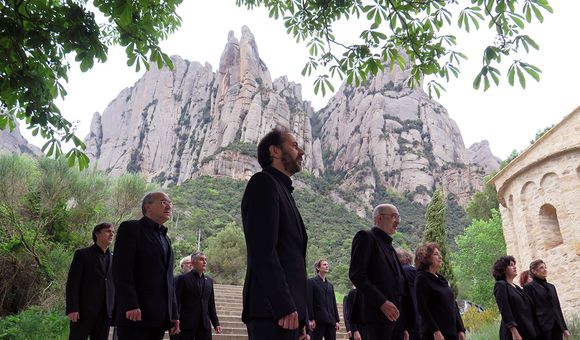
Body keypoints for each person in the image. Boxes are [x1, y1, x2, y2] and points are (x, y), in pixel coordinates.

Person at [241, 127, 308, 340]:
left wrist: (302, 317)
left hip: (288, 313)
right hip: (271, 310)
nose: (302, 152)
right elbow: (262, 250)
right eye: (295, 145)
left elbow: (291, 260)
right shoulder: (263, 183)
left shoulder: (282, 189)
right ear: (275, 151)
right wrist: (284, 306)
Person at [112, 192, 180, 340]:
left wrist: (173, 314)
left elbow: (169, 281)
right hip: (135, 315)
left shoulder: (166, 239)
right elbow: (121, 270)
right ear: (147, 207)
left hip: (160, 318)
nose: (169, 206)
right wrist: (130, 304)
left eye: (170, 202)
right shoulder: (130, 229)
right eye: (163, 202)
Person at [348, 203, 414, 340]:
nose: (398, 221)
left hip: (396, 320)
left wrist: (404, 325)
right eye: (394, 216)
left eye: (399, 217)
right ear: (379, 218)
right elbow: (357, 274)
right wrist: (382, 302)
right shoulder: (366, 237)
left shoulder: (390, 246)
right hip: (376, 317)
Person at [65, 222, 116, 340]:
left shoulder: (114, 258)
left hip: (105, 314)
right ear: (97, 234)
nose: (111, 234)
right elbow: (73, 283)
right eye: (108, 231)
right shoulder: (82, 254)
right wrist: (72, 308)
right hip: (83, 312)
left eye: (113, 232)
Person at [413, 243, 465, 340]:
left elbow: (453, 305)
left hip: (451, 333)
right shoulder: (422, 278)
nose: (440, 257)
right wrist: (435, 331)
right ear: (426, 257)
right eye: (436, 254)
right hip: (436, 335)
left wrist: (460, 329)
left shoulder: (442, 279)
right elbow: (422, 308)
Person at [174, 252, 222, 340]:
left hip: (204, 325)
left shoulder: (209, 281)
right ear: (192, 263)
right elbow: (175, 301)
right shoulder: (182, 279)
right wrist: (174, 319)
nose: (204, 262)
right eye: (201, 259)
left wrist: (216, 323)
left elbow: (211, 304)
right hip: (186, 324)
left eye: (205, 260)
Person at [492, 256, 539, 340]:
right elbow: (505, 310)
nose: (515, 267)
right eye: (511, 265)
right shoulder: (501, 285)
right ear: (503, 269)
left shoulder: (516, 287)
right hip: (514, 334)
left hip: (526, 330)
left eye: (514, 264)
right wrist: (514, 332)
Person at [524, 260, 570, 340]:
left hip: (556, 326)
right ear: (533, 271)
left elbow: (557, 308)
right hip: (541, 328)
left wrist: (564, 328)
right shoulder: (529, 287)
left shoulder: (552, 287)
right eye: (541, 268)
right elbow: (529, 310)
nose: (545, 269)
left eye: (545, 267)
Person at [307, 259, 340, 340]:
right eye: (324, 264)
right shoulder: (311, 282)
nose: (327, 266)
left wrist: (337, 320)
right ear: (318, 268)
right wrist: (311, 319)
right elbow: (309, 302)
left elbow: (333, 303)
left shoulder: (330, 285)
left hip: (331, 321)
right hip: (318, 321)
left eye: (327, 264)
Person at [396, 248, 420, 340]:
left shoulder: (397, 273)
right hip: (415, 319)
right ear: (407, 257)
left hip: (403, 319)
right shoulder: (411, 270)